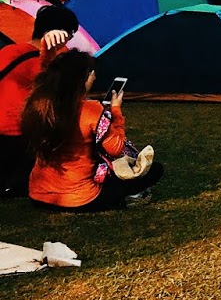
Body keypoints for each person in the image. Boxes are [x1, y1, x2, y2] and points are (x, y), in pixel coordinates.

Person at [22, 50, 165, 210]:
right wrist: (116, 111)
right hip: (79, 198)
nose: (94, 77)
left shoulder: (39, 105)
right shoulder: (91, 110)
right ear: (83, 78)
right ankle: (130, 197)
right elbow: (116, 149)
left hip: (38, 195)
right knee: (154, 170)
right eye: (91, 73)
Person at [0, 4, 77, 199]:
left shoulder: (8, 50)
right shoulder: (49, 63)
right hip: (19, 136)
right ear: (61, 34)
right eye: (70, 34)